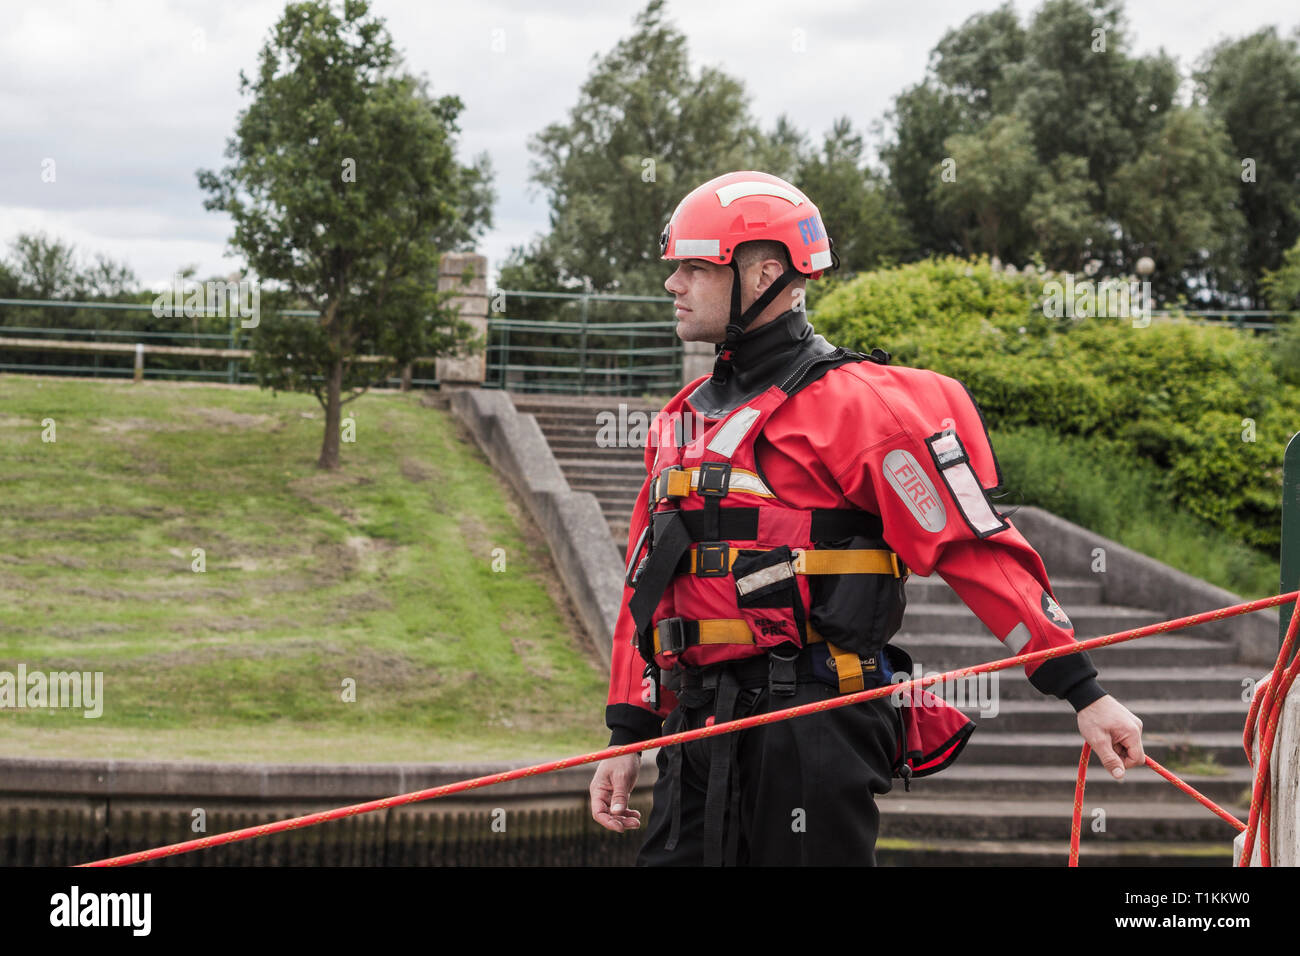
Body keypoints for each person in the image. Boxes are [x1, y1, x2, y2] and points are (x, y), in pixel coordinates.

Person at [588, 170, 1145, 866]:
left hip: (814, 724)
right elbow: (645, 589)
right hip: (694, 729)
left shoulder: (862, 407)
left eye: (695, 268)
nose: (674, 285)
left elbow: (976, 551)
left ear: (763, 274)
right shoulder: (679, 420)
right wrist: (628, 734)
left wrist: (1082, 691)